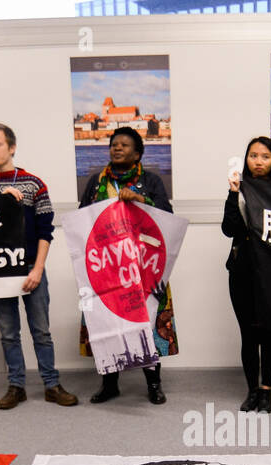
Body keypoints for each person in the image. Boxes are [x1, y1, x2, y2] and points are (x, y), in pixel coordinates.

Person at [0, 123, 77, 410]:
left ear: (12, 147)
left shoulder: (34, 184)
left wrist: (38, 269)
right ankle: (16, 385)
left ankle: (51, 384)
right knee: (8, 333)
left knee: (40, 330)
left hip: (31, 266)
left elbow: (46, 230)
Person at [78, 126, 175, 404]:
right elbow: (83, 218)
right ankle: (110, 383)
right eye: (113, 144)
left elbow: (167, 216)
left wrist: (141, 200)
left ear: (138, 153)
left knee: (145, 321)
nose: (117, 148)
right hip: (106, 267)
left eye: (124, 145)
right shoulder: (96, 181)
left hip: (143, 267)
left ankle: (154, 384)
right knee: (106, 321)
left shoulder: (151, 180)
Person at [223, 136, 271, 413]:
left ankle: (266, 391)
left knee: (268, 334)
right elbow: (229, 229)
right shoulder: (241, 189)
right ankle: (251, 391)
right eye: (253, 156)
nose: (258, 161)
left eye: (265, 156)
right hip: (242, 270)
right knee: (248, 335)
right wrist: (234, 192)